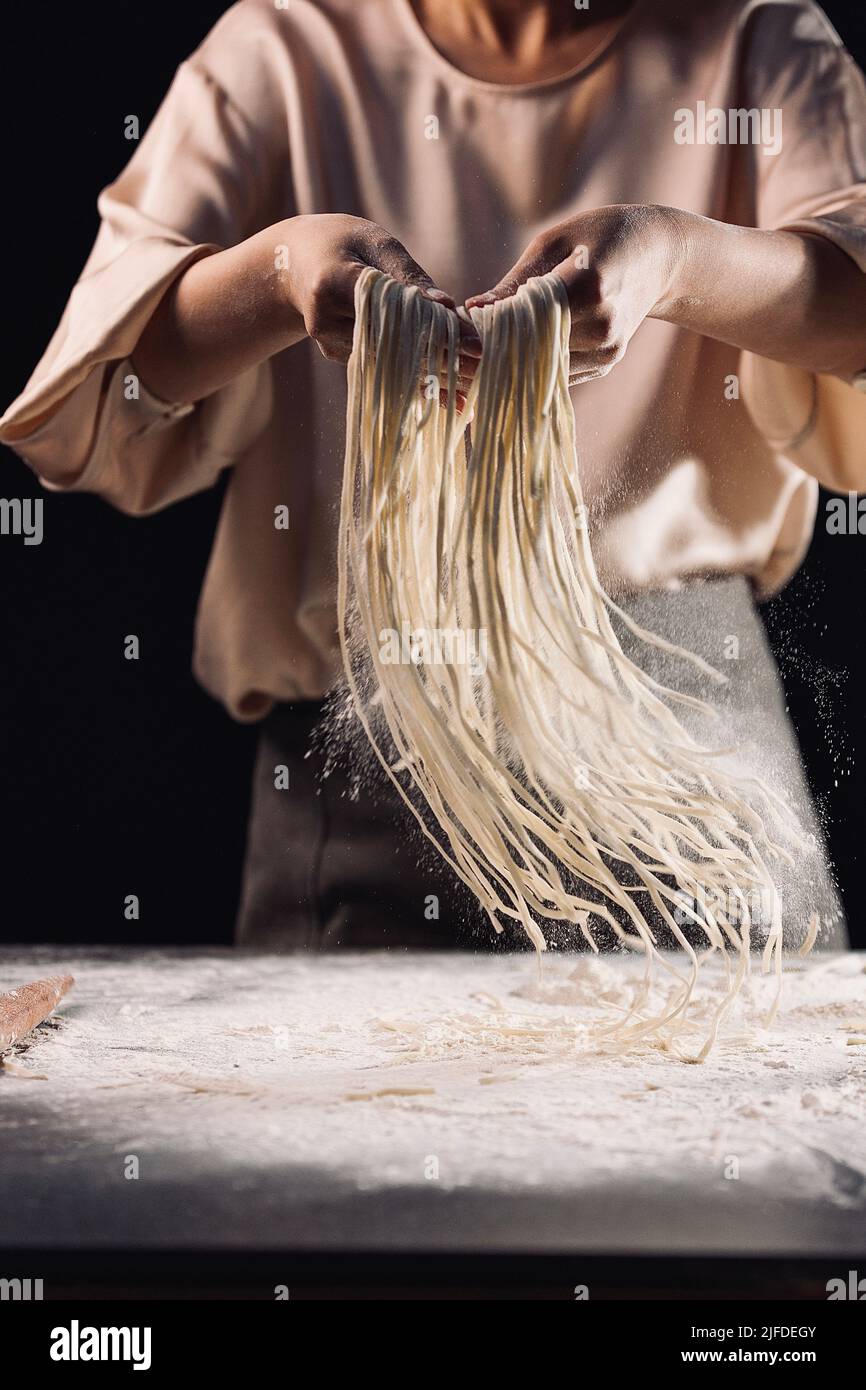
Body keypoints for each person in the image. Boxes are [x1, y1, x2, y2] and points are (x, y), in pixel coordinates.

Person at [2, 0, 865, 949]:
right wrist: (280, 275)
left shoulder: (756, 34)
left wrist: (678, 260)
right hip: (365, 786)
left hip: (694, 766)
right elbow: (92, 398)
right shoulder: (282, 47)